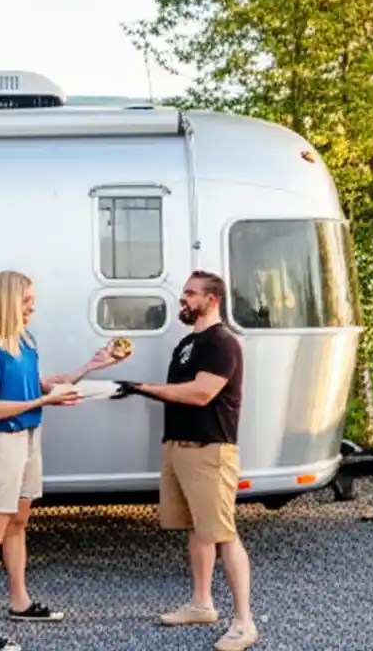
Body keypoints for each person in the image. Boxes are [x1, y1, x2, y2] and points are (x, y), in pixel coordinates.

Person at [0, 270, 126, 651]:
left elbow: (39, 383)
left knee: (19, 522)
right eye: (26, 300)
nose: (32, 306)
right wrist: (44, 402)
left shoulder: (24, 338)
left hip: (30, 435)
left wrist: (91, 366)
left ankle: (19, 602)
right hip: (2, 441)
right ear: (7, 300)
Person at [113, 270, 258, 651]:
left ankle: (244, 623)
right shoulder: (187, 344)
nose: (183, 300)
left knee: (224, 533)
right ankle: (201, 604)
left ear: (212, 300)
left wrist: (142, 389)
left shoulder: (223, 343)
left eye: (191, 294)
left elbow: (199, 394)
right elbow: (179, 391)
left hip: (210, 451)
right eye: (184, 293)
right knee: (196, 529)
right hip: (179, 448)